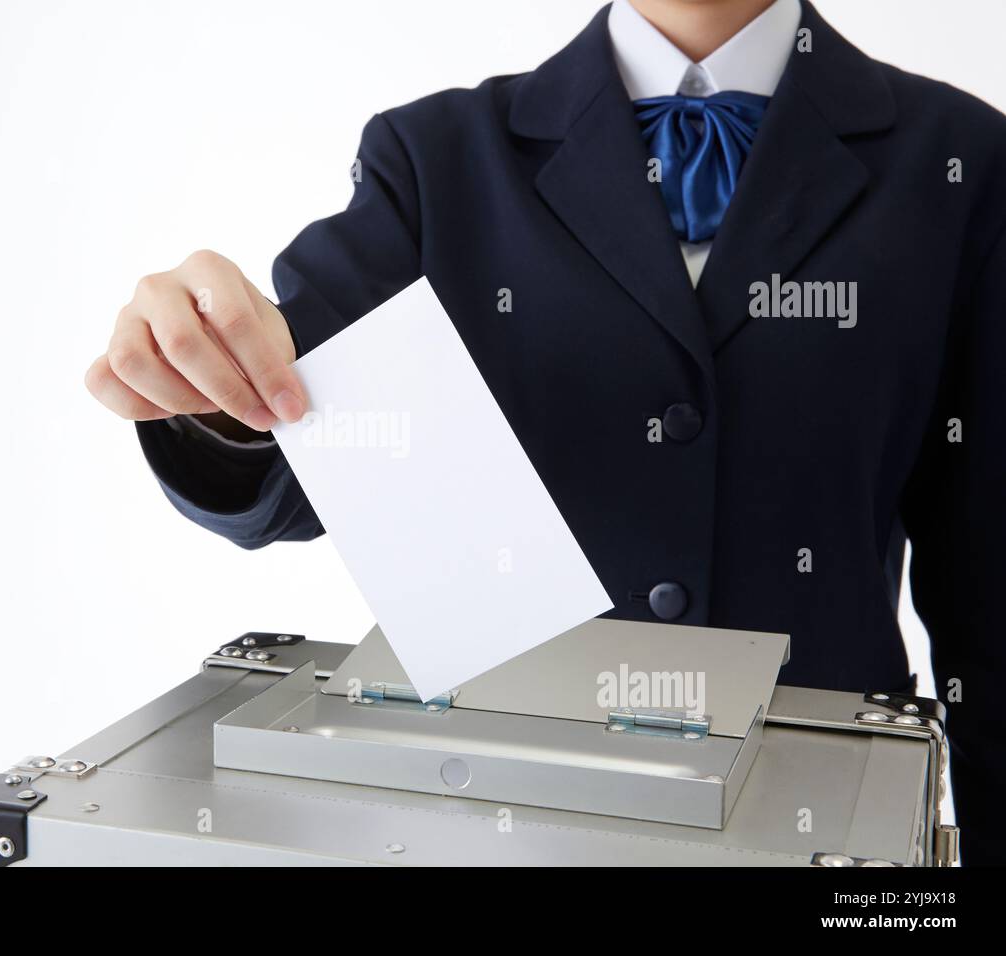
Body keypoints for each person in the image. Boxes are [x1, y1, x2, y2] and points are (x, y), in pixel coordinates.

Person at [84, 0, 1006, 865]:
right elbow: (291, 450)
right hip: (490, 822)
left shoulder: (965, 163)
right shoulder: (431, 159)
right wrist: (209, 374)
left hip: (821, 827)